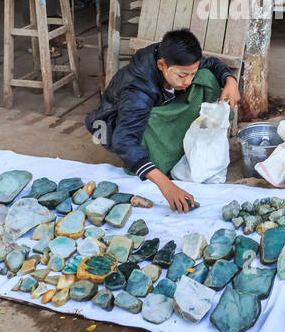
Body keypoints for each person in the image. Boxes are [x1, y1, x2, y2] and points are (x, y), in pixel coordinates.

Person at [86, 28, 240, 211]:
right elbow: (124, 140)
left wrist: (230, 80)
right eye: (182, 75)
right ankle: (156, 161)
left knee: (207, 77)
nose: (188, 81)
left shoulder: (173, 57)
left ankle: (174, 144)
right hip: (114, 126)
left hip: (159, 105)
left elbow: (212, 64)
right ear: (161, 65)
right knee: (144, 128)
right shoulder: (138, 88)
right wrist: (166, 185)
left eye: (191, 73)